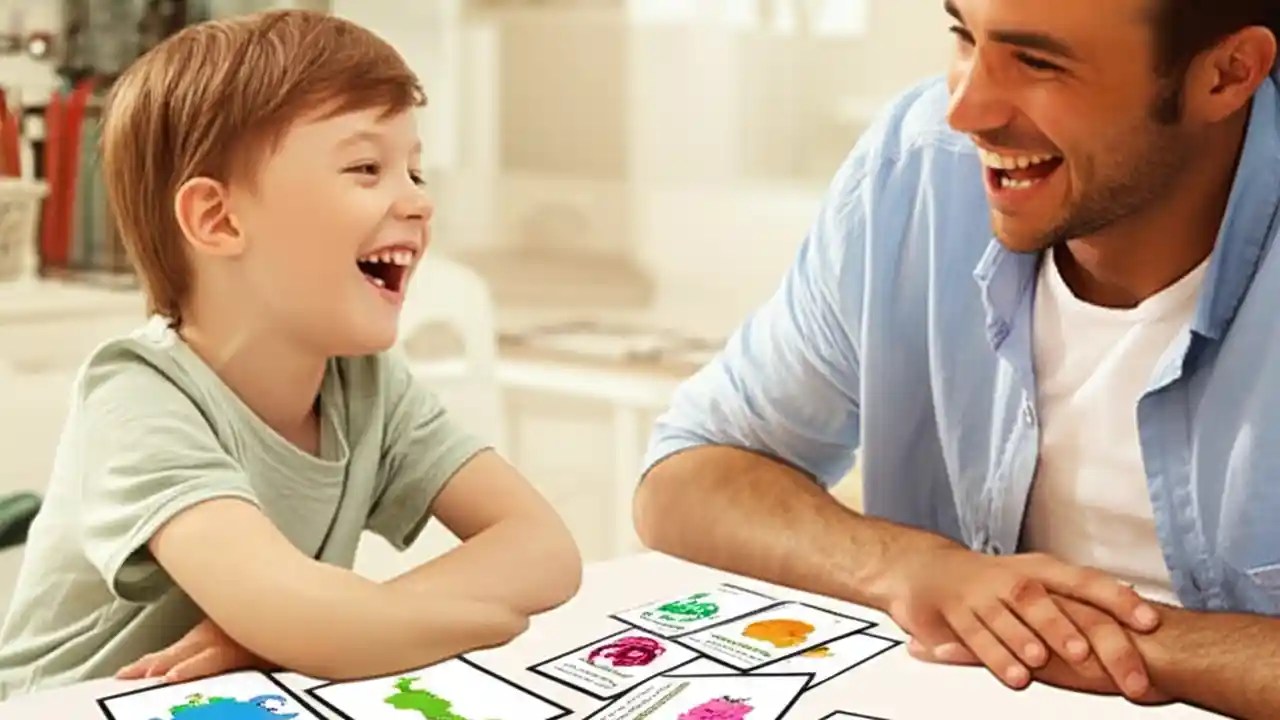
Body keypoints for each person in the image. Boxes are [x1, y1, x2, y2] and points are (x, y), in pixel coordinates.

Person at [634, 1, 1280, 718]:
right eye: (964, 37)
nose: (965, 111)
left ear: (1228, 74)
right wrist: (910, 568)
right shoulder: (916, 172)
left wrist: (1136, 647)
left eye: (1038, 62)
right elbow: (686, 478)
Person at [0, 9, 582, 700]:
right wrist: (331, 627)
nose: (419, 203)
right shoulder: (138, 399)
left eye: (415, 172)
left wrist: (311, 628)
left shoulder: (367, 386)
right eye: (367, 168)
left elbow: (544, 550)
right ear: (218, 219)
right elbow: (313, 625)